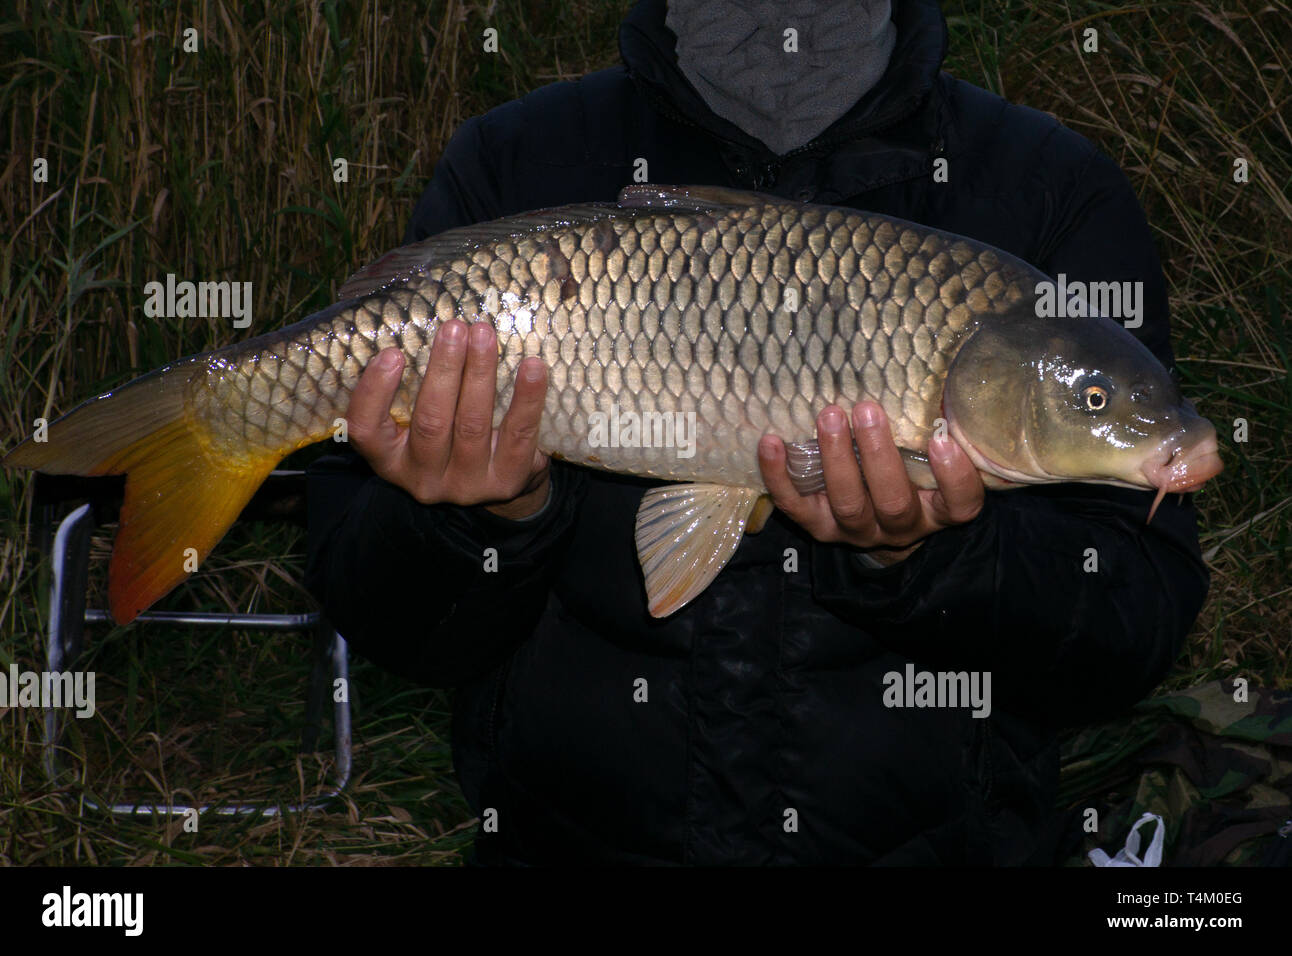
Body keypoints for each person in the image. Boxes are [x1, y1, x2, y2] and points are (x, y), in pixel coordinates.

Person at [305, 0, 1208, 864]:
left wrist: (932, 564)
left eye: (1095, 405)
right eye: (1096, 403)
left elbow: (1132, 633)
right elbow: (392, 625)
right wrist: (485, 521)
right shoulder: (513, 158)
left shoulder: (1050, 190)